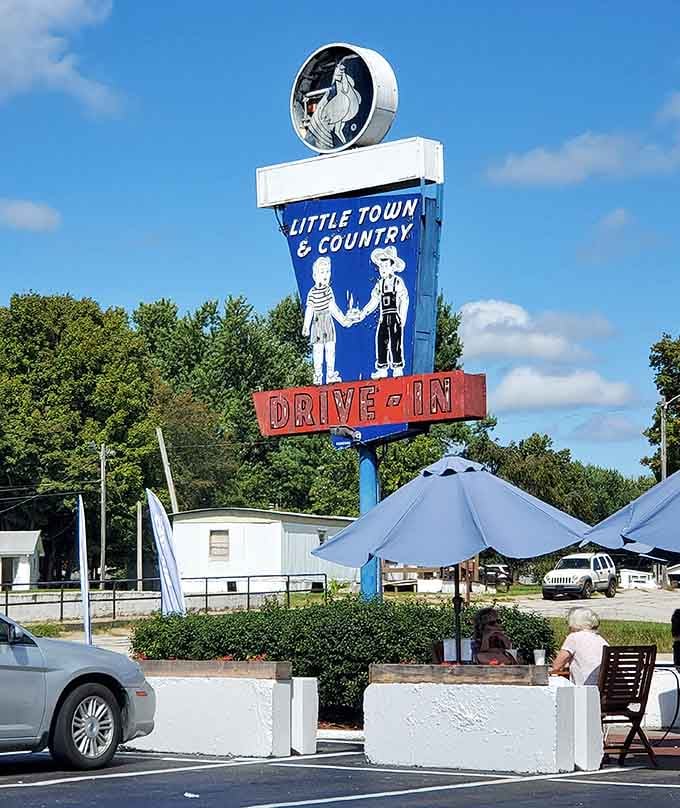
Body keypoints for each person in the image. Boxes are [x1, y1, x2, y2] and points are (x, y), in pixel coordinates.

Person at [356, 246, 409, 379]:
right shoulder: (380, 284)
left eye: (385, 266)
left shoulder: (398, 282)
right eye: (381, 266)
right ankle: (382, 369)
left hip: (394, 316)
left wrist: (402, 317)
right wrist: (363, 312)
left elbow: (405, 299)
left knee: (395, 342)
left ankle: (397, 366)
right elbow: (374, 301)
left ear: (392, 266)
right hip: (383, 317)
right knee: (381, 340)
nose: (383, 269)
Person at [302, 256, 351, 385]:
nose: (325, 275)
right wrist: (306, 326)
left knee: (330, 348)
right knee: (317, 350)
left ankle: (330, 374)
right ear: (315, 275)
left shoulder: (328, 290)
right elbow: (310, 309)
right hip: (317, 322)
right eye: (322, 272)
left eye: (327, 272)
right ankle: (318, 375)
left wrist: (343, 320)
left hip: (328, 321)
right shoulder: (312, 293)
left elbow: (333, 307)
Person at [550, 606, 608, 686]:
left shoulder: (574, 637)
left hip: (585, 691)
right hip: (607, 689)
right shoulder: (601, 640)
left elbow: (556, 667)